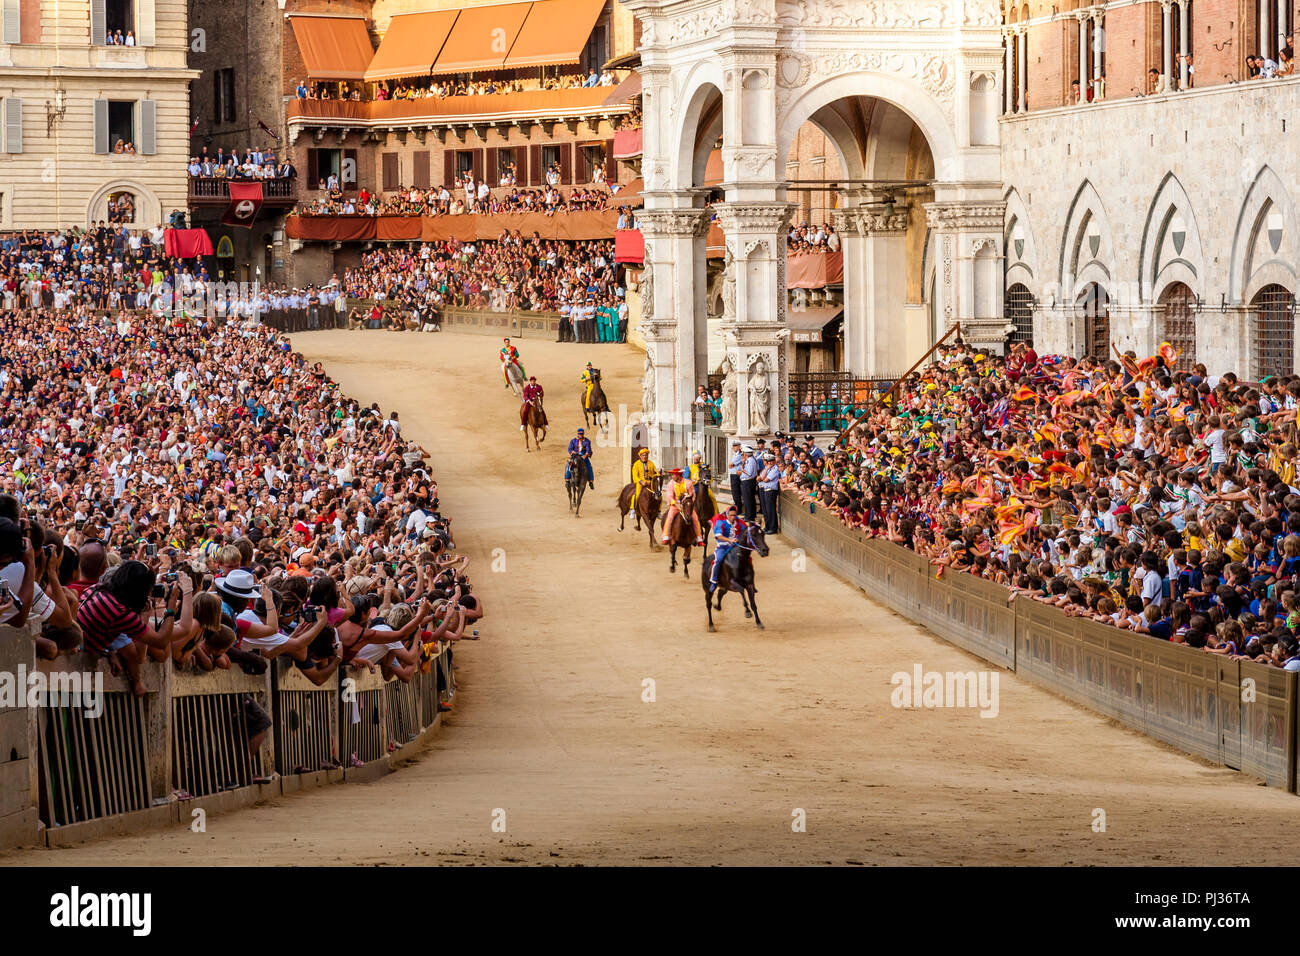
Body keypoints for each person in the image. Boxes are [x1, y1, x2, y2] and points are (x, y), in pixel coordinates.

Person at [661, 468, 704, 546]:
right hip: (675, 505)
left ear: (678, 475)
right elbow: (670, 496)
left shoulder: (688, 483)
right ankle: (666, 536)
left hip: (686, 505)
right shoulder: (671, 484)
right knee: (669, 517)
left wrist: (690, 502)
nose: (672, 476)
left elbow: (693, 494)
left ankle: (699, 538)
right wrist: (675, 503)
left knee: (695, 519)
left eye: (673, 475)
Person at [708, 505, 747, 592]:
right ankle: (714, 581)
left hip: (735, 546)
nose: (733, 517)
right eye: (731, 515)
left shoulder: (739, 522)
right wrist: (730, 540)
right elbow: (719, 537)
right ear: (727, 515)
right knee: (718, 560)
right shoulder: (720, 522)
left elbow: (746, 530)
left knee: (746, 557)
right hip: (723, 546)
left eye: (734, 515)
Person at [758, 451, 782, 534]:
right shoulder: (768, 468)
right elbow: (761, 478)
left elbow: (765, 479)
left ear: (774, 461)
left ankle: (773, 528)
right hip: (766, 490)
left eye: (771, 461)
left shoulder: (775, 469)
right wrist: (767, 469)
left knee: (771, 509)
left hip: (771, 490)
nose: (770, 463)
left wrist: (767, 470)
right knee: (766, 510)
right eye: (768, 461)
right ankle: (768, 526)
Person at [687, 450, 718, 515]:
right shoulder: (689, 467)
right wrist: (692, 481)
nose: (696, 459)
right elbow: (686, 479)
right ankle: (688, 513)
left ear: (700, 458)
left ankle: (716, 514)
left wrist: (708, 481)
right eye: (694, 457)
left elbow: (710, 477)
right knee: (689, 498)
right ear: (692, 458)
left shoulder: (704, 466)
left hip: (704, 486)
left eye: (697, 457)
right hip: (694, 486)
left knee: (712, 497)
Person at [631, 447, 658, 511]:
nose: (645, 456)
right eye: (643, 455)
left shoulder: (651, 463)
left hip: (650, 482)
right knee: (637, 495)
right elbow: (634, 475)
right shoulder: (636, 464)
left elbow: (655, 471)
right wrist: (641, 481)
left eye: (646, 455)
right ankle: (632, 509)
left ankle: (658, 511)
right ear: (640, 456)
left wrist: (658, 474)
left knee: (659, 495)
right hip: (641, 483)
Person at [739, 444, 760, 523]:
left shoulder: (750, 460)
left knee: (748, 499)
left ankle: (749, 516)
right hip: (747, 481)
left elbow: (750, 473)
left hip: (748, 481)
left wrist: (742, 469)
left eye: (743, 453)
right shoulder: (751, 459)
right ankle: (750, 514)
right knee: (749, 499)